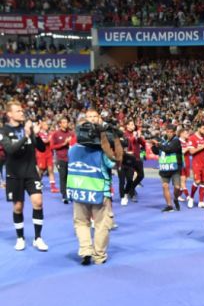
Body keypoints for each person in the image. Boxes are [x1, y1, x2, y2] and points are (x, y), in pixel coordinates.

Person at [67, 111, 122, 265]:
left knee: (81, 223)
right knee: (101, 225)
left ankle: (85, 250)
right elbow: (114, 164)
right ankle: (99, 256)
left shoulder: (72, 149)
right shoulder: (101, 150)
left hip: (79, 191)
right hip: (99, 191)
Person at [1, 100, 49, 251]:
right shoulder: (3, 132)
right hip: (14, 174)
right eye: (18, 111)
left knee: (38, 202)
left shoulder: (27, 128)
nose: (22, 113)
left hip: (31, 173)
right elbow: (11, 150)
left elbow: (41, 148)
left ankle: (38, 238)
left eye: (22, 110)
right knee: (18, 207)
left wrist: (37, 134)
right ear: (9, 114)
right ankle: (20, 238)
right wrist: (26, 136)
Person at [154, 125, 184, 212]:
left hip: (175, 168)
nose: (168, 133)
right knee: (165, 185)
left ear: (174, 132)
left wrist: (158, 145)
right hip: (164, 167)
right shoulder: (162, 140)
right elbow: (156, 151)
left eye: (170, 132)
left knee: (177, 187)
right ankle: (169, 205)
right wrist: (154, 146)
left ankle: (175, 198)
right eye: (167, 131)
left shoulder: (176, 141)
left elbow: (169, 149)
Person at [119, 121, 145, 204]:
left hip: (137, 158)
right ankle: (130, 193)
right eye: (131, 124)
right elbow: (130, 143)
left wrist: (139, 137)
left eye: (133, 124)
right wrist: (134, 136)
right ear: (127, 126)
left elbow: (143, 144)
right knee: (128, 178)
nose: (133, 126)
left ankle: (131, 188)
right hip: (128, 159)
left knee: (141, 175)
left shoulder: (136, 133)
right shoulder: (124, 134)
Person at [50, 117, 73, 204]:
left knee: (70, 177)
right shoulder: (55, 134)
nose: (65, 124)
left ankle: (70, 193)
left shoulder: (71, 133)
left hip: (70, 158)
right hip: (60, 159)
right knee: (62, 177)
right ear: (60, 124)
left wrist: (71, 143)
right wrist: (64, 144)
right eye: (63, 122)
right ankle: (64, 195)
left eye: (66, 122)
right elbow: (52, 147)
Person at [187, 124, 204, 209]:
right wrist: (202, 147)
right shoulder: (192, 138)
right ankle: (191, 198)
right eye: (203, 128)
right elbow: (191, 151)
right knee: (197, 181)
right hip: (197, 163)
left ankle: (201, 202)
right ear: (198, 128)